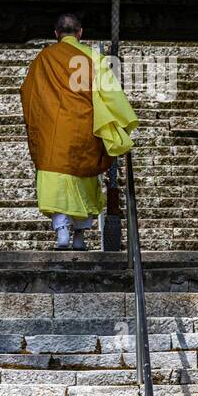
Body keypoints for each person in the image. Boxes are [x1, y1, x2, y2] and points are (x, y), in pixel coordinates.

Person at [19, 13, 138, 251]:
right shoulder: (91, 58)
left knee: (55, 179)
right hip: (84, 128)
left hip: (53, 131)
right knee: (84, 177)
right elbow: (111, 94)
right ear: (80, 33)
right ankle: (79, 236)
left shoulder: (43, 59)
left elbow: (28, 92)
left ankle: (61, 231)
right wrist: (125, 122)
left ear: (56, 34)